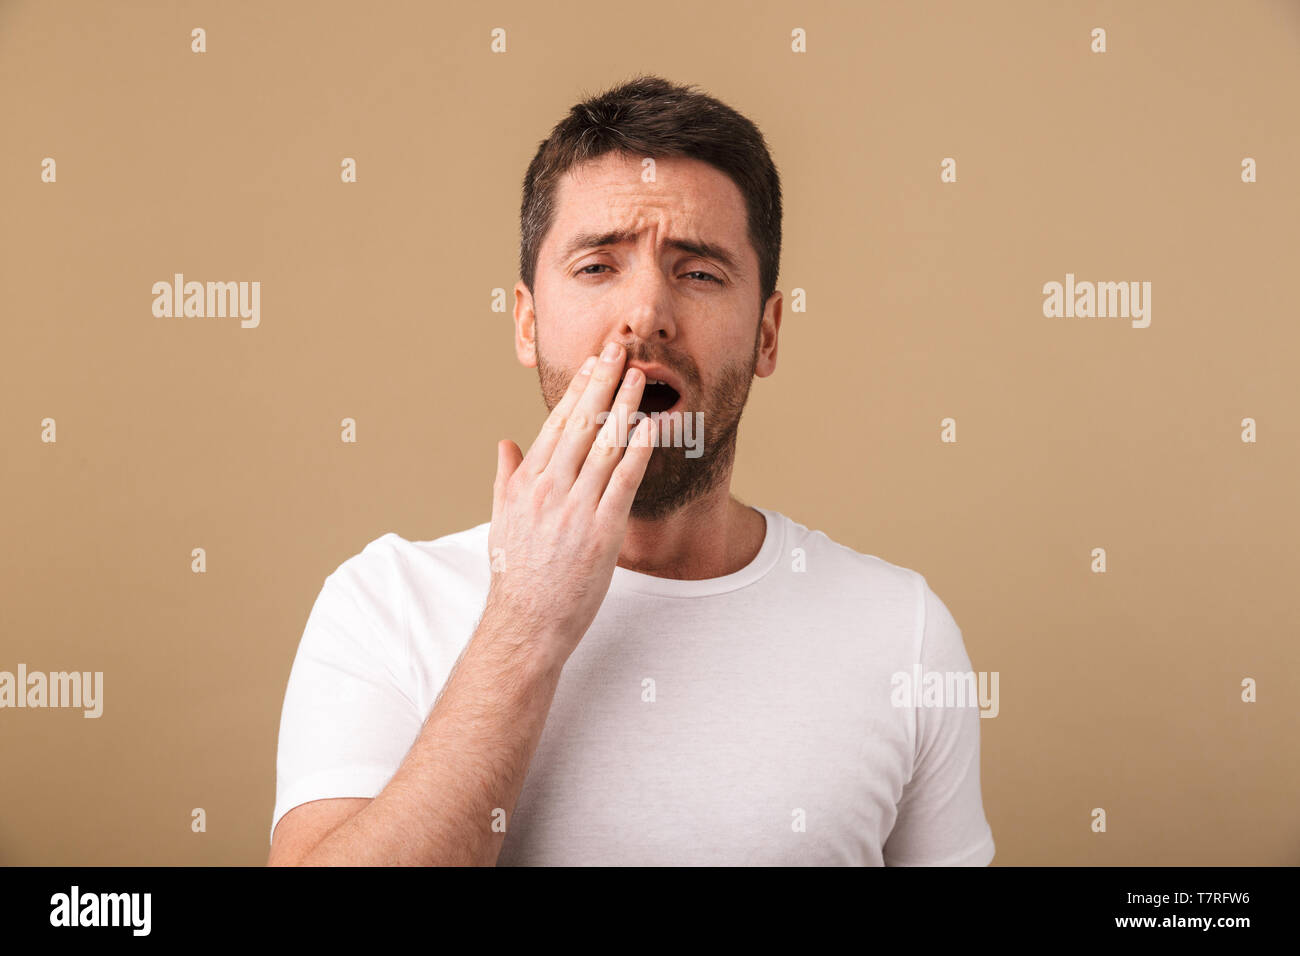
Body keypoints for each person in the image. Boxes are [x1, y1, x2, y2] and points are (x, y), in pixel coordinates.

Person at [268, 75, 995, 866]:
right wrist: (525, 622)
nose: (646, 311)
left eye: (700, 272)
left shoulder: (902, 631)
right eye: (596, 267)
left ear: (767, 335)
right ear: (526, 321)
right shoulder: (383, 606)